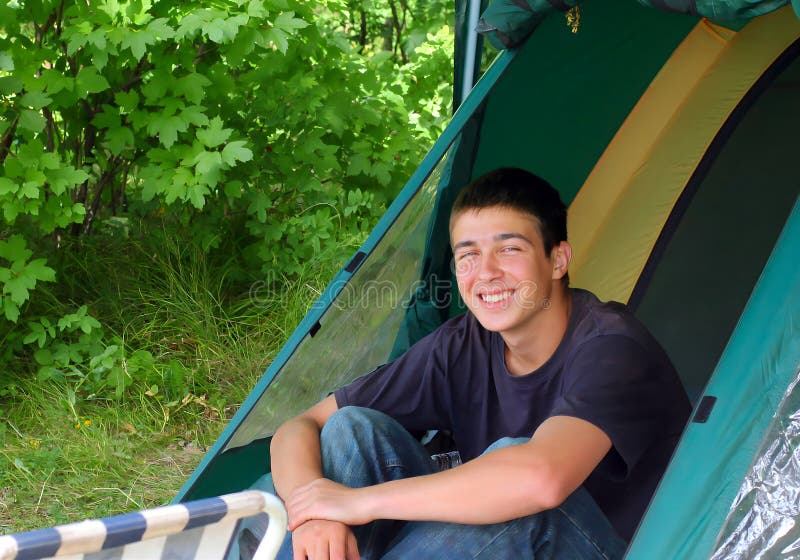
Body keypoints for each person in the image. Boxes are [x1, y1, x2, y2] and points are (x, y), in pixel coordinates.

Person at [264, 167, 691, 560]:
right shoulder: (464, 342)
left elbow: (542, 479)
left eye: (508, 249)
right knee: (350, 429)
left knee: (517, 478)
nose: (484, 273)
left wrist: (357, 502)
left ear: (558, 259)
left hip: (625, 550)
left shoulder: (613, 346)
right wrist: (314, 508)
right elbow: (300, 427)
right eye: (468, 255)